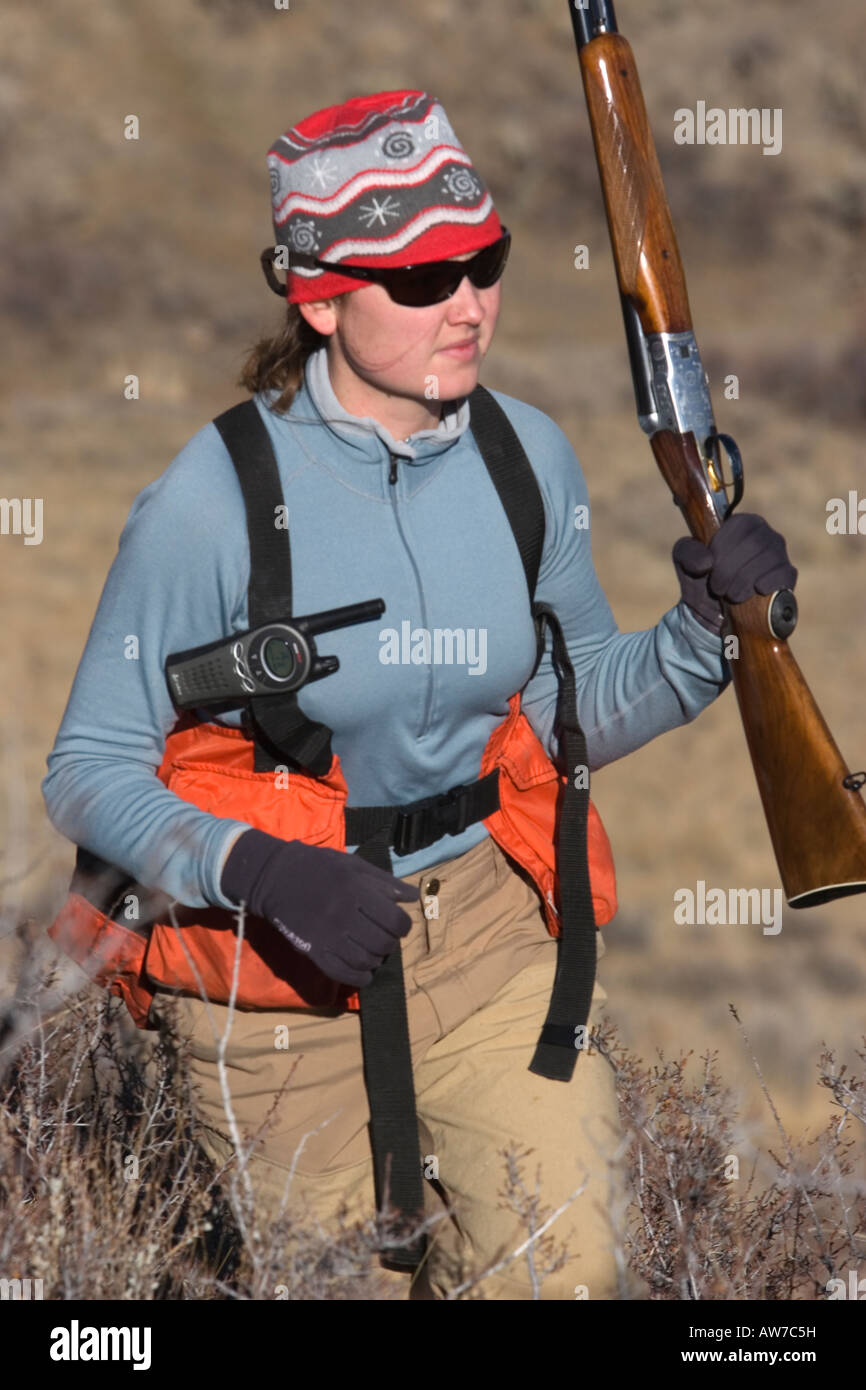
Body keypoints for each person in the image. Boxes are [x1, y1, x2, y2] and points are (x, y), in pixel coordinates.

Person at [42, 89, 796, 1301]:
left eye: (483, 260)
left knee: (566, 1269)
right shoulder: (210, 498)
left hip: (490, 940)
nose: (470, 302)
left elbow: (565, 710)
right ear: (320, 297)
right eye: (423, 278)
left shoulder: (524, 457)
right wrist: (258, 871)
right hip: (274, 981)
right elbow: (87, 769)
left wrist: (705, 637)